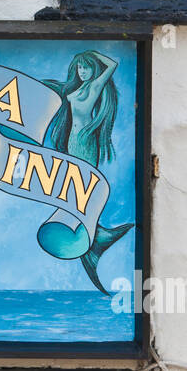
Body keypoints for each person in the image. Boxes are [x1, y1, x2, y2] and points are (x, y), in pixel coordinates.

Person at [43, 50, 134, 294]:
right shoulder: (76, 88)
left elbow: (113, 63)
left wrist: (91, 53)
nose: (83, 72)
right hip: (74, 141)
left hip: (85, 143)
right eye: (79, 68)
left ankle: (91, 238)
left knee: (79, 190)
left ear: (94, 69)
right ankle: (93, 238)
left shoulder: (94, 88)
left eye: (87, 68)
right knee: (75, 192)